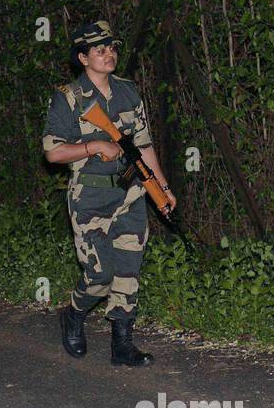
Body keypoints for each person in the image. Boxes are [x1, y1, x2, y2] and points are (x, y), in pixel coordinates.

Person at [41, 21, 176, 366]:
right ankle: (73, 313)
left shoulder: (128, 91)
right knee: (100, 274)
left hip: (130, 193)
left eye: (112, 48)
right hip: (90, 197)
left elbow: (143, 144)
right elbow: (53, 152)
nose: (109, 54)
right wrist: (93, 145)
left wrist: (161, 186)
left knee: (129, 268)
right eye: (99, 50)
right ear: (83, 58)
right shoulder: (69, 97)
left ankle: (122, 343)